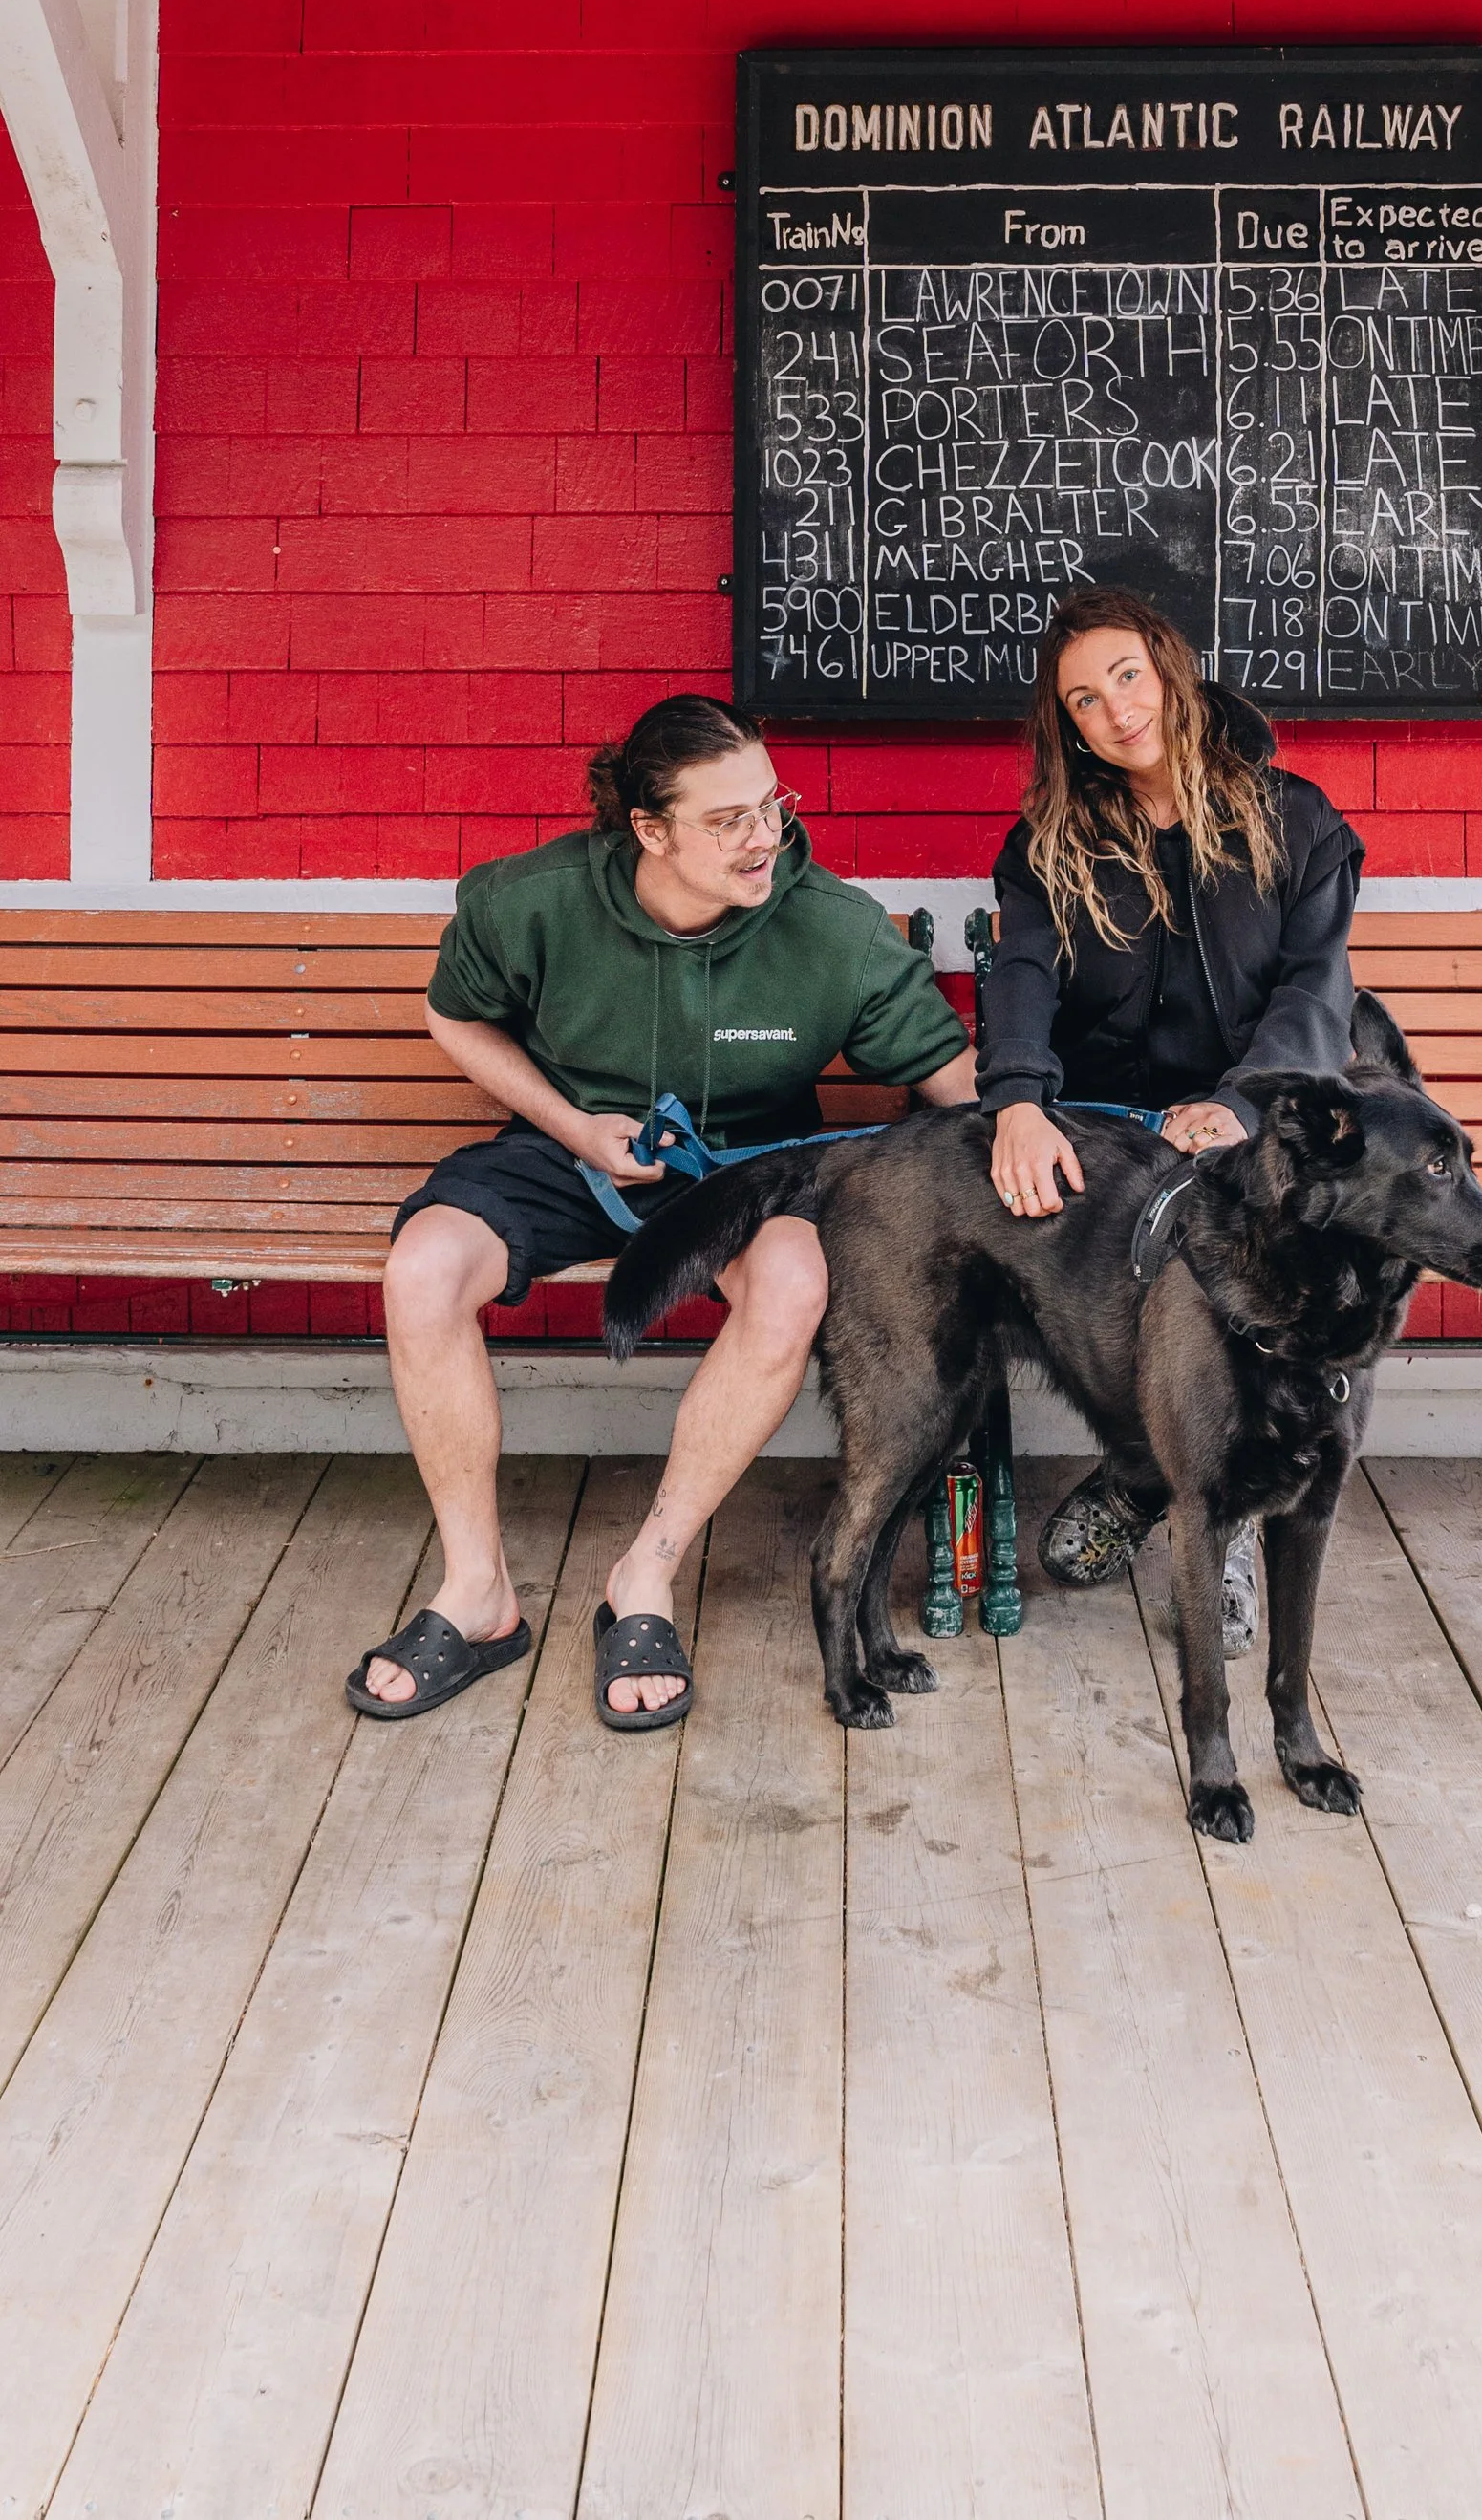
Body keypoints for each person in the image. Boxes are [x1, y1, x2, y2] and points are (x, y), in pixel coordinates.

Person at [352, 695, 976, 1730]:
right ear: (649, 829)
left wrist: (1029, 1131)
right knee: (420, 1270)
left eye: (770, 804)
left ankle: (645, 1573)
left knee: (794, 1279)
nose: (763, 836)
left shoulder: (835, 930)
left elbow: (956, 1084)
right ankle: (477, 1594)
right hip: (565, 1149)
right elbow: (452, 1015)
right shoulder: (531, 900)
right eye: (726, 818)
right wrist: (570, 1122)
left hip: (745, 1171)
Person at [977, 587, 1364, 1650]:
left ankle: (1211, 1510)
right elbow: (1019, 975)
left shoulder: (1294, 820)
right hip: (1107, 1131)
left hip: (1261, 1120)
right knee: (1066, 1244)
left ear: (1170, 670)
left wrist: (1243, 1106)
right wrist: (1017, 1102)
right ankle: (1151, 1468)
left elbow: (1314, 993)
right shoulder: (1050, 841)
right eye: (1083, 700)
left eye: (1127, 678)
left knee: (1256, 1253)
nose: (1114, 712)